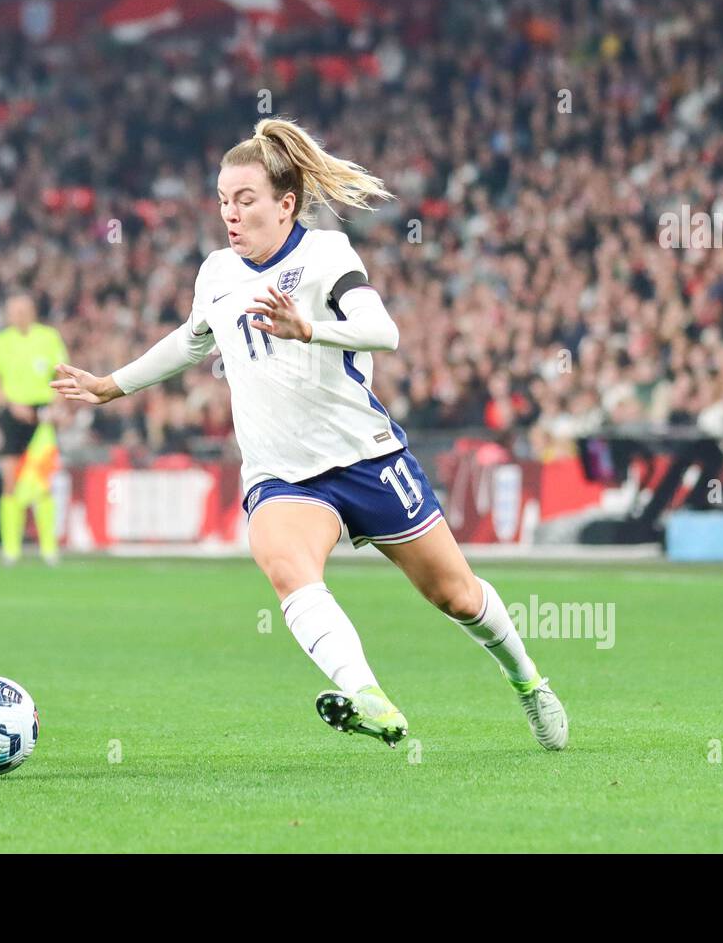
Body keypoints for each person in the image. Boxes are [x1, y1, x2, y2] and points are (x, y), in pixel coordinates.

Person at [52, 118, 567, 749]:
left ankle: (528, 682)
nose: (230, 214)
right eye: (223, 200)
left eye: (245, 199)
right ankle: (368, 696)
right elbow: (191, 341)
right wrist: (112, 385)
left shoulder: (325, 255)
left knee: (456, 596)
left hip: (365, 458)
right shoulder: (216, 274)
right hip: (282, 475)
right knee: (287, 568)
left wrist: (309, 329)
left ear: (285, 204)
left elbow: (383, 332)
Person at [0, 294, 69, 566]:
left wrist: (56, 404)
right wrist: (11, 405)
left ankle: (49, 549)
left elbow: (62, 374)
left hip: (41, 415)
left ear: (33, 311)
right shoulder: (0, 342)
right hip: (11, 414)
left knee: (42, 483)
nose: (19, 315)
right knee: (10, 481)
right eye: (14, 310)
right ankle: (11, 549)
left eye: (23, 310)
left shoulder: (48, 337)